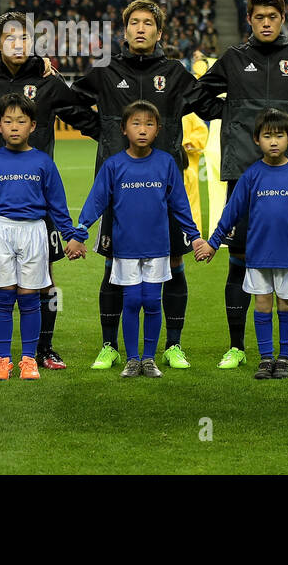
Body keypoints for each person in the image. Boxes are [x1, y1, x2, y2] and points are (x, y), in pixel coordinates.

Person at [69, 0, 222, 370]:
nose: (140, 28)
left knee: (172, 262)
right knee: (113, 263)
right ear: (125, 30)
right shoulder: (106, 71)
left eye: (148, 23)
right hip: (118, 185)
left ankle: (173, 345)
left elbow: (210, 105)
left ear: (159, 31)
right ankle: (109, 345)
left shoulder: (174, 73)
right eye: (134, 22)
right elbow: (69, 102)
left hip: (164, 189)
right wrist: (104, 135)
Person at [0, 9, 95, 371]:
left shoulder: (48, 81)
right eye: (10, 38)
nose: (18, 44)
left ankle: (44, 349)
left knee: (46, 279)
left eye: (24, 38)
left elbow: (85, 117)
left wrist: (125, 145)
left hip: (36, 200)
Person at [197, 0, 288, 370]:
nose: (266, 23)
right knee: (239, 262)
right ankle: (238, 346)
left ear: (282, 19)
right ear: (249, 20)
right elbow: (199, 96)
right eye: (259, 17)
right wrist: (231, 119)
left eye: (273, 17)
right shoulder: (234, 59)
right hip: (243, 172)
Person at [0, 93, 82, 381]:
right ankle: (3, 359)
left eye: (20, 121)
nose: (14, 127)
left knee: (29, 296)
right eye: (8, 121)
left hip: (34, 230)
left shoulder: (43, 162)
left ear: (32, 126)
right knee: (3, 297)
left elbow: (57, 205)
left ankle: (29, 359)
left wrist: (71, 235)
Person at [195, 108, 288, 379]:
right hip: (257, 255)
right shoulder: (251, 176)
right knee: (262, 304)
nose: (274, 141)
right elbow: (231, 212)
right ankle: (266, 357)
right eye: (267, 136)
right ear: (256, 139)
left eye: (279, 136)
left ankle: (285, 357)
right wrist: (213, 243)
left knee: (286, 304)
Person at [73, 101, 207, 379]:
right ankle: (132, 359)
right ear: (123, 129)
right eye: (136, 124)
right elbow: (96, 200)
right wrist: (80, 231)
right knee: (132, 301)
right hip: (125, 250)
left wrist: (194, 237)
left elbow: (180, 204)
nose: (142, 130)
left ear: (158, 130)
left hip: (158, 248)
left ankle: (149, 359)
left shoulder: (166, 163)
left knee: (152, 302)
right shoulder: (114, 165)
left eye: (149, 124)